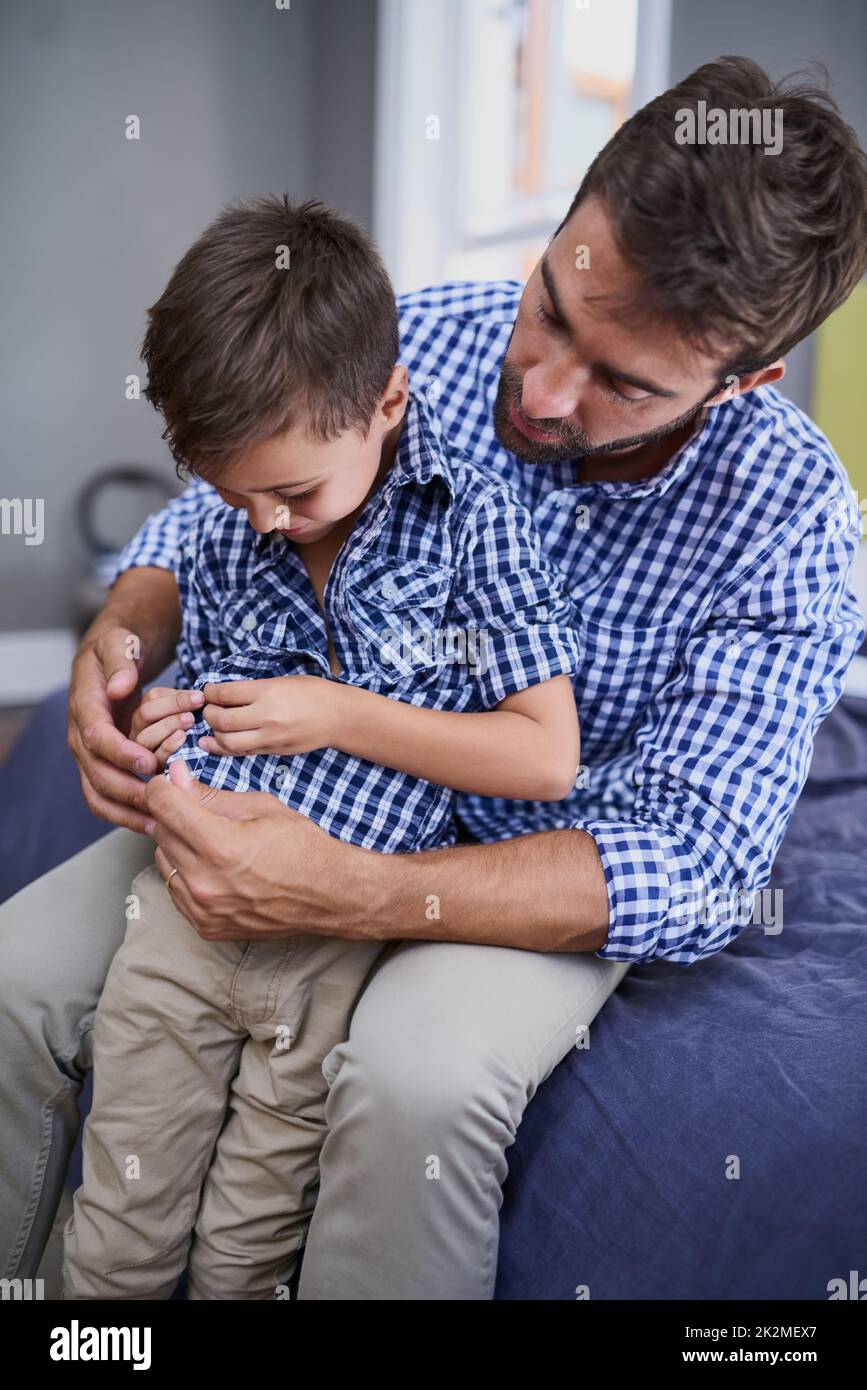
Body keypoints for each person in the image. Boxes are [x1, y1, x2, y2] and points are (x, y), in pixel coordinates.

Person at [2, 57, 865, 1300]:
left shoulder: (794, 523)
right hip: (307, 782)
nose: (544, 390)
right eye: (557, 309)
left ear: (741, 384)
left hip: (540, 853)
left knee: (414, 1077)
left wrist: (356, 892)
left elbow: (698, 861)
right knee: (17, 976)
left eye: (625, 382)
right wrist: (119, 639)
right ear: (568, 223)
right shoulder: (435, 339)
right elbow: (218, 517)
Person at [61, 193, 584, 1299]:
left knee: (249, 1245)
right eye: (229, 492)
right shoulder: (235, 510)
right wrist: (164, 708)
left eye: (291, 492)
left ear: (389, 401)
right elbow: (189, 646)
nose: (260, 520)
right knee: (119, 1223)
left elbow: (544, 758)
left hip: (332, 950)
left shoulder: (476, 521)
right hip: (186, 917)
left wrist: (339, 710)